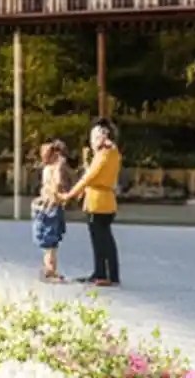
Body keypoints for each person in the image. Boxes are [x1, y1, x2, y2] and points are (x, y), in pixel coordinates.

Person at [59, 118, 123, 287]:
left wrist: (69, 195)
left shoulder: (105, 154)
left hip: (98, 202)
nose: (92, 141)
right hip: (102, 200)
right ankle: (104, 272)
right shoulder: (111, 153)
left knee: (101, 239)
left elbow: (89, 177)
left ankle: (105, 273)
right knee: (104, 238)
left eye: (95, 137)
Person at [33, 140, 73, 282]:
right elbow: (56, 185)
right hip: (52, 207)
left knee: (49, 242)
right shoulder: (54, 169)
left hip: (46, 206)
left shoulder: (46, 169)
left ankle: (49, 269)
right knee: (51, 242)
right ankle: (50, 270)